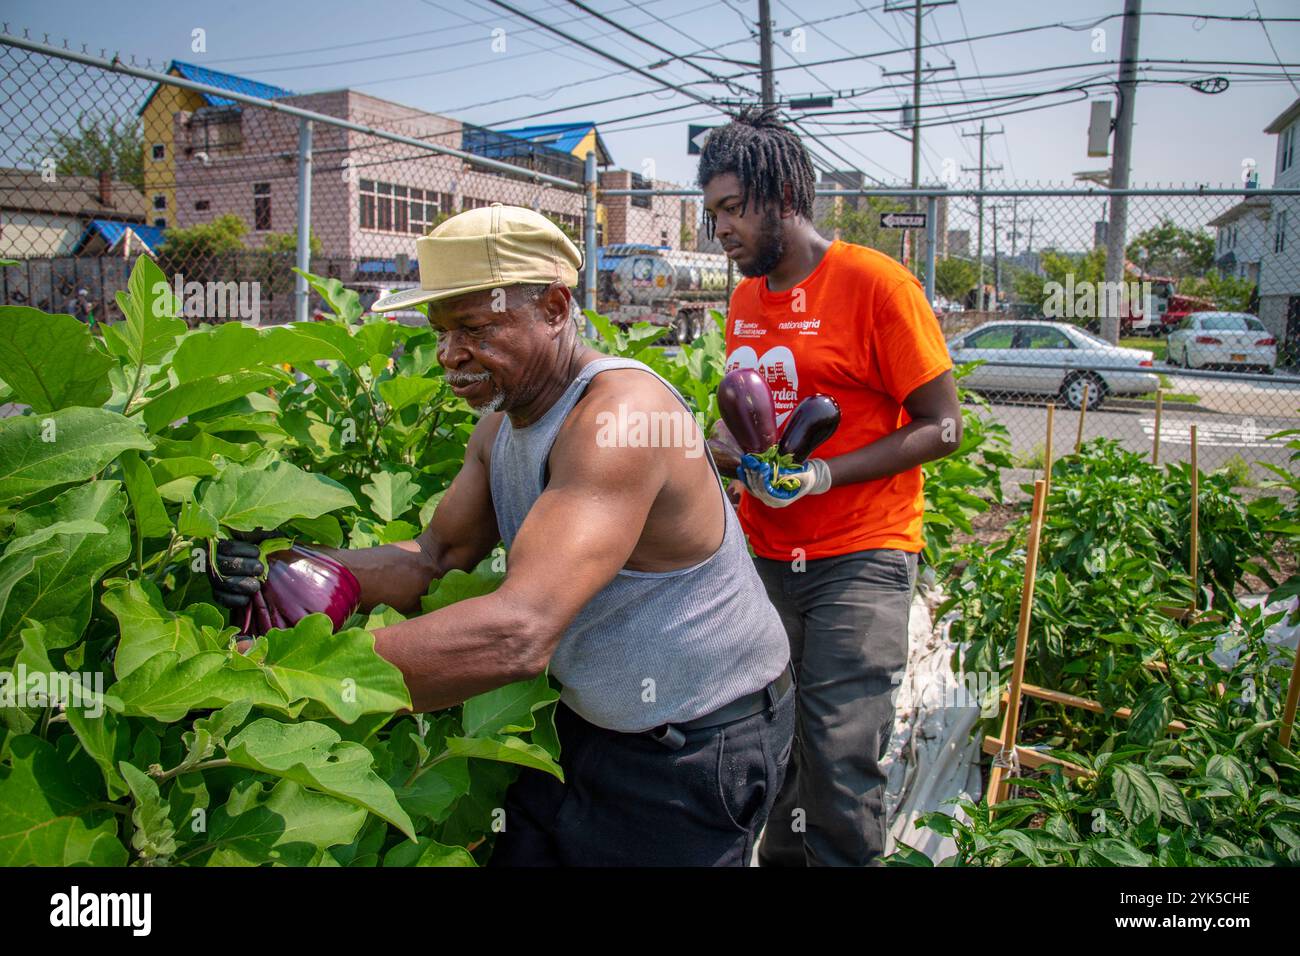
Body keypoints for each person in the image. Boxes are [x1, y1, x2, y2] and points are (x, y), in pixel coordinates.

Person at [210, 204, 793, 867]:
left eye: (474, 328)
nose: (449, 355)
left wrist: (287, 674)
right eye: (439, 333)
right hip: (589, 724)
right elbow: (435, 558)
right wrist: (297, 566)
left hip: (697, 743)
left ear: (551, 307)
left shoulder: (618, 421)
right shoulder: (499, 427)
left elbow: (519, 630)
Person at [698, 108, 962, 866]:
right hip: (767, 554)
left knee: (841, 760)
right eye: (711, 213)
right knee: (775, 751)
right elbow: (757, 417)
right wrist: (725, 453)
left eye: (730, 209)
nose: (718, 230)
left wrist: (821, 473)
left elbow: (944, 427)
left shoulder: (877, 285)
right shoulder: (746, 301)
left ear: (781, 195)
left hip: (861, 554)